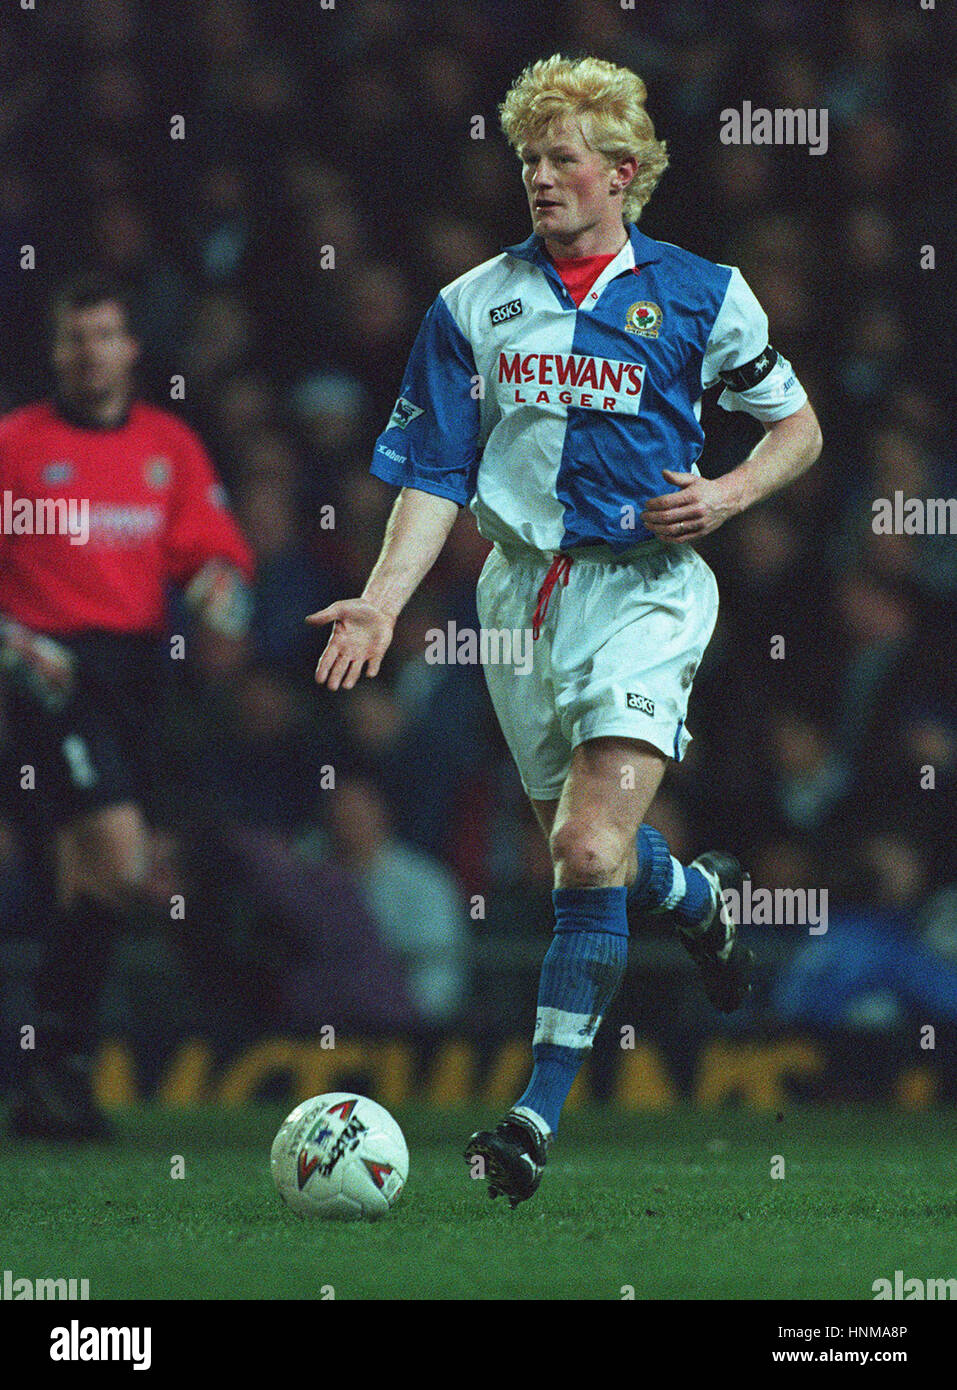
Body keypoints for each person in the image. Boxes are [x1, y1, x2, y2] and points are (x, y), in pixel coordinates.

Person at [309, 55, 822, 1206]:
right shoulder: (470, 304)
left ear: (622, 174)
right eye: (528, 158)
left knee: (585, 853)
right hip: (519, 596)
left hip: (646, 587)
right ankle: (693, 896)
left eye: (562, 158)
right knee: (584, 852)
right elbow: (434, 474)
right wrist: (385, 600)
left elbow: (799, 428)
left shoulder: (703, 292)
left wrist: (730, 495)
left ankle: (533, 1116)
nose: (539, 177)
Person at [0, 272, 254, 1140]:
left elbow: (211, 552)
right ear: (56, 348)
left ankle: (49, 1074)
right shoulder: (16, 444)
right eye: (75, 337)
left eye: (104, 334)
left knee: (87, 879)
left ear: (130, 347)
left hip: (141, 674)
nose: (89, 351)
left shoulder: (168, 445)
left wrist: (223, 589)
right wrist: (13, 640)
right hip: (48, 671)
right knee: (118, 861)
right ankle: (53, 1065)